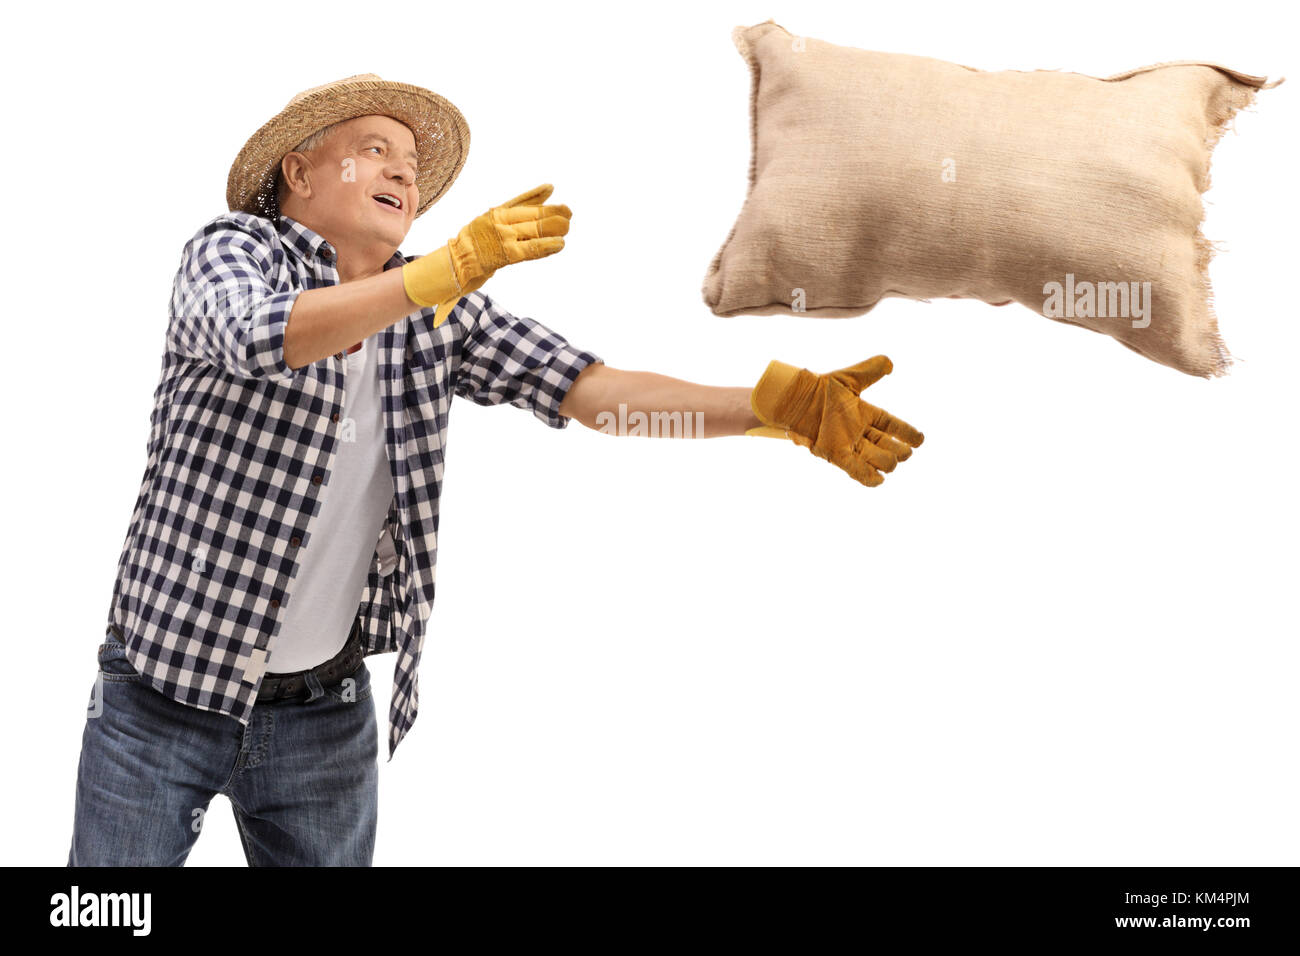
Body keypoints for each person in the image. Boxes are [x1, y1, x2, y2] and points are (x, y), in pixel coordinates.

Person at [67, 73, 923, 866]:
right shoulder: (233, 250)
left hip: (323, 713)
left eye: (410, 164)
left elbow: (589, 391)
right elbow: (256, 335)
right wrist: (431, 280)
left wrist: (769, 408)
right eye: (374, 149)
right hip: (161, 697)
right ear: (299, 171)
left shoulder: (442, 311)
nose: (402, 171)